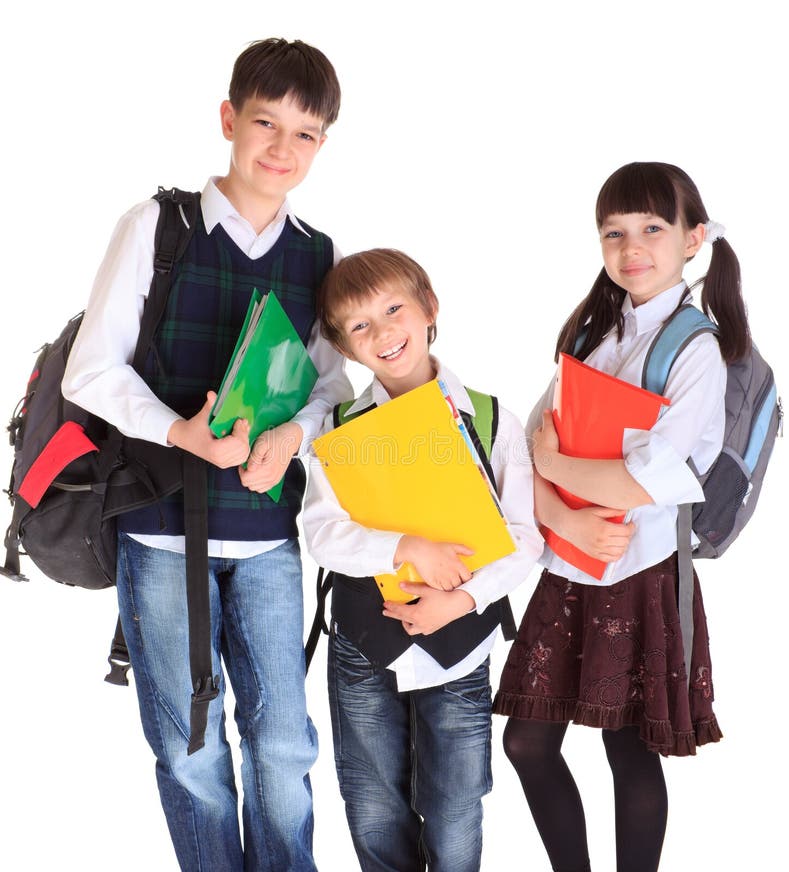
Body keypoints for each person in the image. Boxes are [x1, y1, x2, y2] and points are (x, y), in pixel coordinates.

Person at [62, 38, 352, 872]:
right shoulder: (157, 225)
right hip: (159, 526)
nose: (281, 148)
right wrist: (180, 431)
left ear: (322, 145)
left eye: (305, 133)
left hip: (266, 532)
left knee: (284, 746)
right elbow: (91, 369)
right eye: (265, 122)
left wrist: (296, 434)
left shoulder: (317, 253)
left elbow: (332, 387)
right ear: (229, 119)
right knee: (188, 748)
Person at [493, 161, 750, 872]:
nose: (631, 247)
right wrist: (563, 516)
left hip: (642, 569)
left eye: (651, 229)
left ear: (693, 238)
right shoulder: (592, 332)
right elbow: (525, 452)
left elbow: (655, 478)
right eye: (614, 232)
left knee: (626, 746)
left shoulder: (695, 347)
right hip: (572, 559)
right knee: (528, 742)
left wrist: (554, 470)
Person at [302, 248, 542, 872]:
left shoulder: (491, 419)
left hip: (460, 639)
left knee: (458, 804)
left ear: (429, 308)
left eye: (392, 309)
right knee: (371, 802)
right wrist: (403, 547)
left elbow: (525, 536)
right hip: (362, 642)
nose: (382, 332)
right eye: (358, 325)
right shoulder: (336, 427)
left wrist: (461, 599)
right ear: (342, 346)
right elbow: (321, 533)